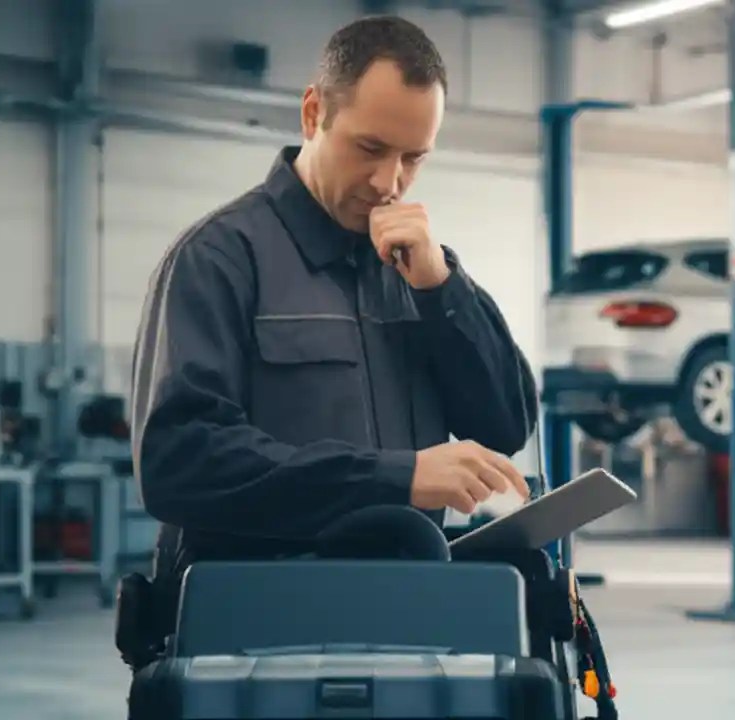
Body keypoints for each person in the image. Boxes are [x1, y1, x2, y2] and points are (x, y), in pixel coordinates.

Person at [128, 15, 536, 614]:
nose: (387, 182)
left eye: (413, 159)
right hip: (256, 623)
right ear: (314, 113)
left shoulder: (418, 272)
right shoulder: (218, 260)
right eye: (370, 148)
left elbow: (506, 423)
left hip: (410, 611)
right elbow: (180, 463)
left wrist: (442, 289)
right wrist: (396, 479)